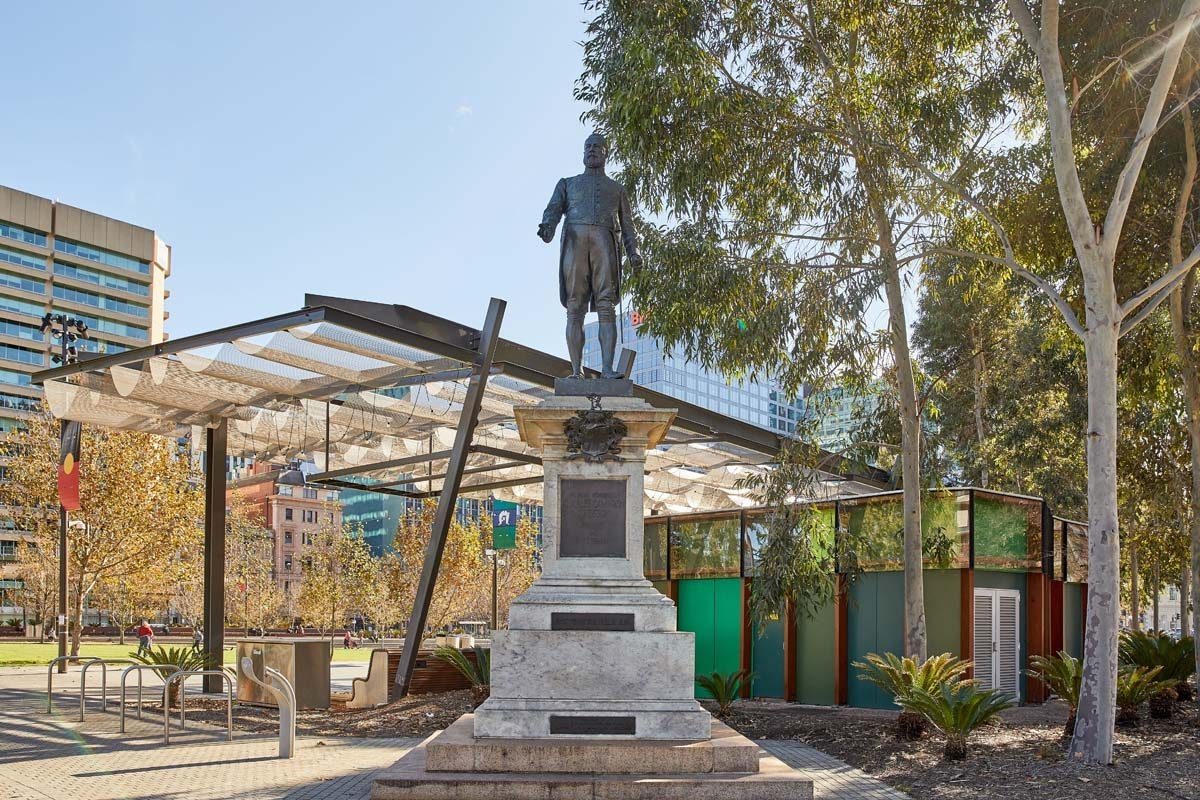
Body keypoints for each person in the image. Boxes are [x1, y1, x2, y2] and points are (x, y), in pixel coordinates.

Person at [538, 132, 643, 378]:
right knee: (575, 307)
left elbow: (628, 226)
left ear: (606, 153)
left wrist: (634, 252)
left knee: (606, 305)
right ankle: (577, 371)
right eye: (588, 147)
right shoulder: (568, 183)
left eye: (597, 147)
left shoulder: (617, 189)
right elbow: (553, 210)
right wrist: (547, 226)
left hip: (605, 244)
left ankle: (607, 369)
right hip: (574, 241)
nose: (591, 150)